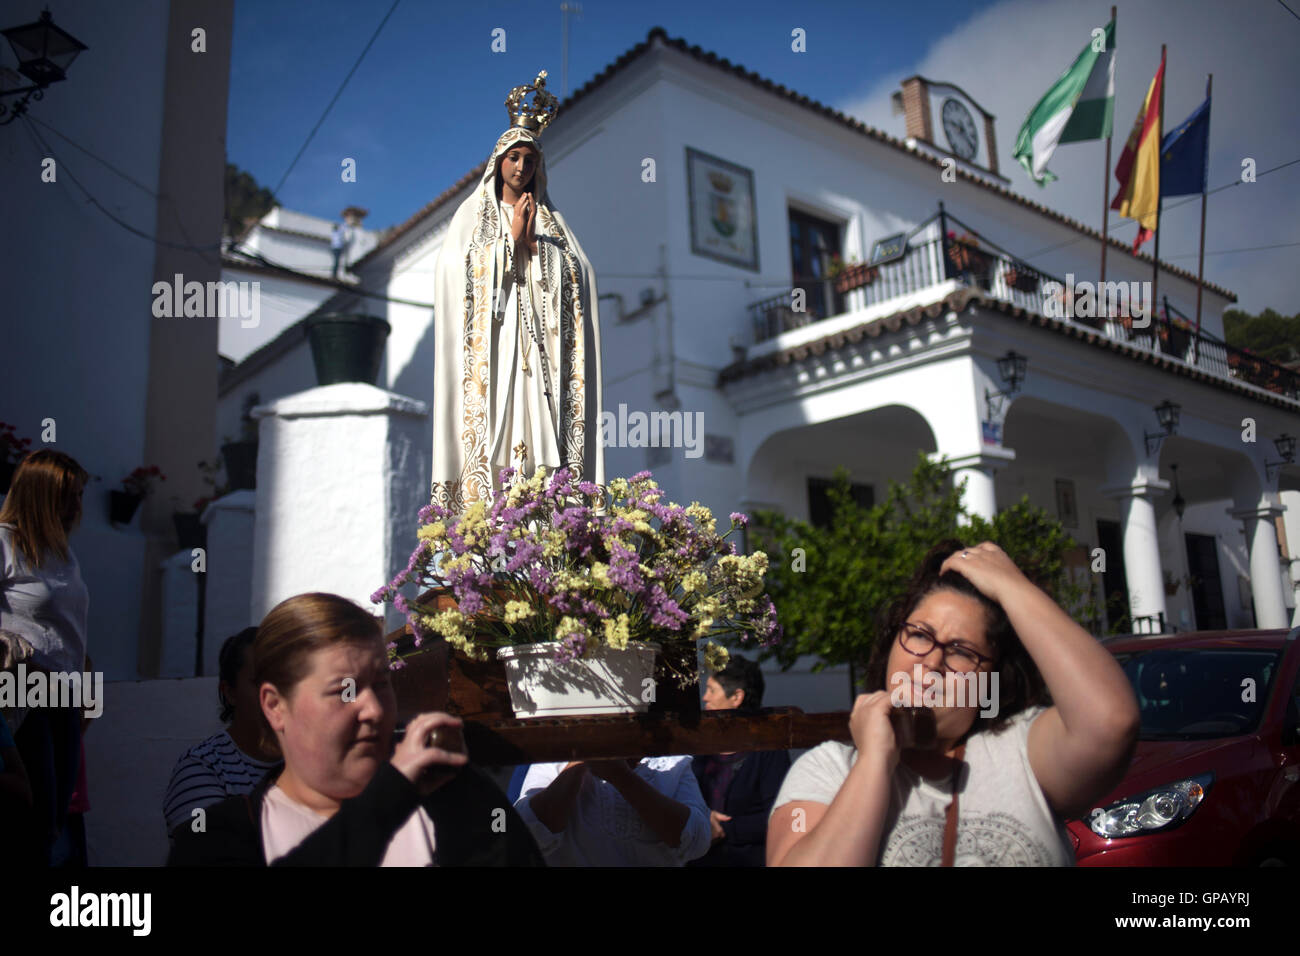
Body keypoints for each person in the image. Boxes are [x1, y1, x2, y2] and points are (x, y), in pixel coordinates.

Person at [767, 540, 1140, 867]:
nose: (930, 662)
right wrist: (874, 761)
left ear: (995, 678)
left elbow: (1111, 721)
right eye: (919, 634)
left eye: (961, 651)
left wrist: (1010, 585)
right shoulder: (828, 768)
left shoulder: (1024, 749)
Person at [168, 592, 542, 866]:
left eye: (381, 684)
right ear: (275, 706)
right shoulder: (219, 838)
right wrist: (390, 796)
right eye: (344, 690)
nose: (374, 710)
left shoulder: (457, 801)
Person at [430, 70, 603, 513]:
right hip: (498, 342)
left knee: (542, 432)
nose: (522, 167)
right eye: (514, 158)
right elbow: (456, 272)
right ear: (499, 161)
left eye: (529, 159)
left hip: (541, 346)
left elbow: (579, 273)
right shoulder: (473, 215)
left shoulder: (554, 221)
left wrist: (534, 246)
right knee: (500, 433)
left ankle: (546, 505)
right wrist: (510, 242)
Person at [0, 449, 91, 866]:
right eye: (69, 496)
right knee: (33, 819)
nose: (77, 506)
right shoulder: (5, 542)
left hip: (67, 697)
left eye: (80, 495)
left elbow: (69, 628)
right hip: (23, 692)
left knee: (57, 817)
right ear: (41, 496)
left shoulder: (64, 554)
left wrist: (88, 684)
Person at [162, 627, 279, 837]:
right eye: (259, 681)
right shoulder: (202, 767)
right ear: (230, 693)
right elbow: (206, 850)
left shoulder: (318, 762)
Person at [514, 754, 712, 866]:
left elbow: (697, 841)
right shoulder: (554, 757)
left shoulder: (674, 762)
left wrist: (621, 776)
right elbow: (528, 835)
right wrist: (582, 759)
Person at [690, 657, 790, 867]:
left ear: (736, 697)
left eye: (711, 690)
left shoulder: (769, 751)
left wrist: (723, 829)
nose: (705, 698)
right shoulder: (700, 747)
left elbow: (779, 816)